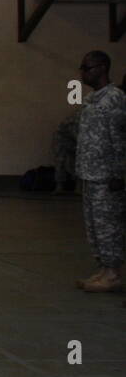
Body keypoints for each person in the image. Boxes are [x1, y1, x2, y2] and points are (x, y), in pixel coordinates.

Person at [73, 50, 126, 294]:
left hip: (106, 176)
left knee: (108, 225)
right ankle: (104, 268)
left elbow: (119, 139)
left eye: (88, 68)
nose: (83, 73)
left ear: (103, 68)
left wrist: (118, 173)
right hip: (90, 174)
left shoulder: (113, 99)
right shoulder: (93, 100)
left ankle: (114, 273)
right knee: (94, 226)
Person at [52, 108, 81, 195]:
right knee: (60, 162)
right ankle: (60, 187)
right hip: (61, 138)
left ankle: (78, 187)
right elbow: (79, 137)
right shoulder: (78, 118)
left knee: (77, 161)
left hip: (72, 138)